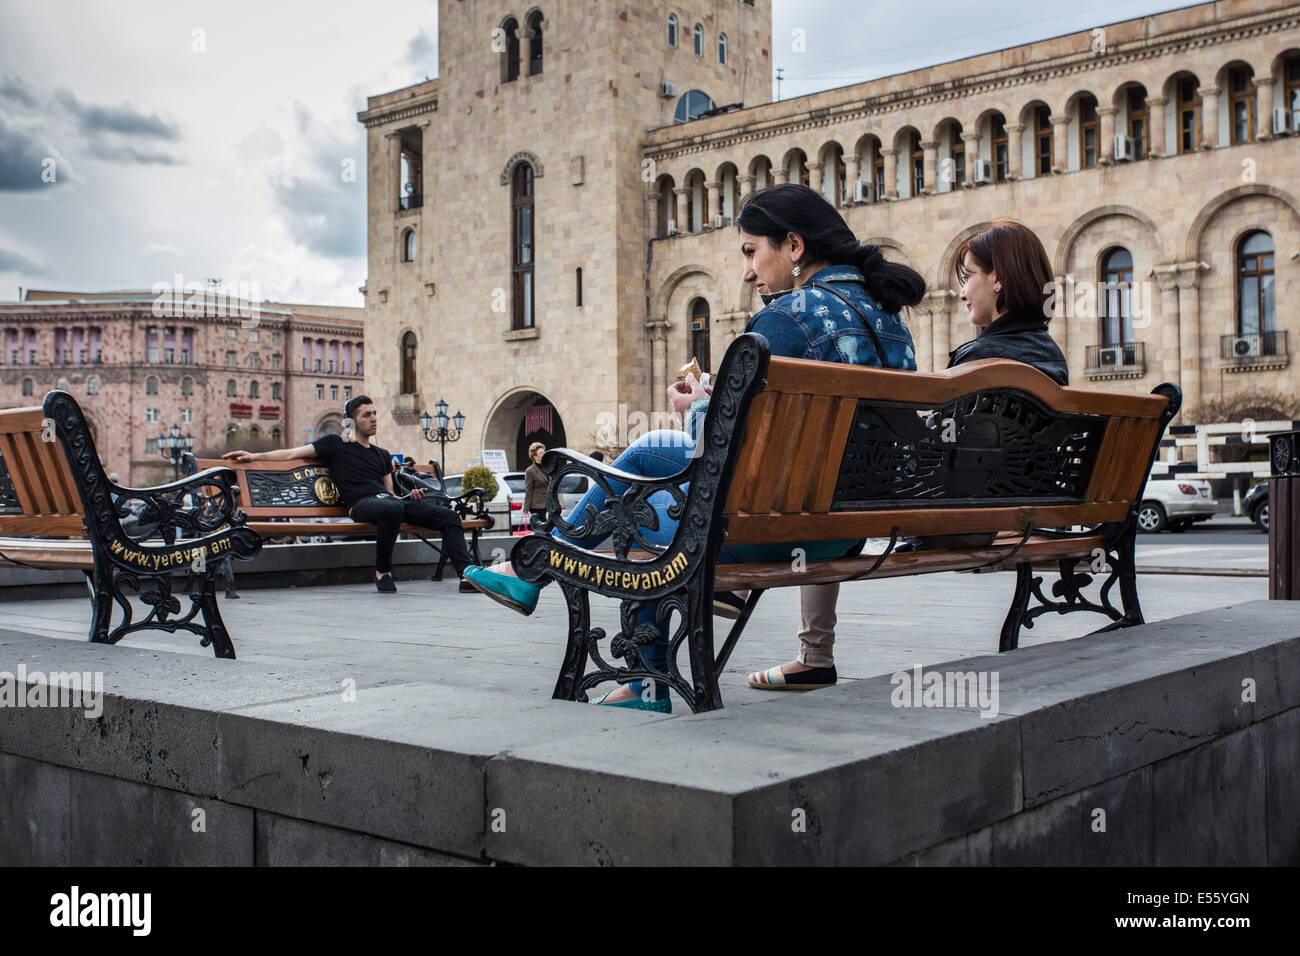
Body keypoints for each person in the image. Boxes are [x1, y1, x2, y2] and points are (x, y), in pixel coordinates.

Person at [464, 183, 926, 709]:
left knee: (639, 481)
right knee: (646, 473)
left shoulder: (786, 319)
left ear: (794, 246)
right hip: (846, 533)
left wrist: (695, 410)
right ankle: (614, 655)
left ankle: (577, 614)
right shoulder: (891, 321)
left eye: (752, 251)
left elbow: (722, 450)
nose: (748, 270)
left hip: (767, 528)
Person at [223, 395, 478, 594]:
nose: (374, 418)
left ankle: (466, 576)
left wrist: (409, 497)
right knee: (392, 509)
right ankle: (382, 572)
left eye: (375, 413)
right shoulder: (336, 444)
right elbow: (292, 454)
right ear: (353, 421)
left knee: (448, 517)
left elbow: (390, 493)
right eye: (367, 415)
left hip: (388, 503)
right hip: (360, 505)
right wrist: (254, 456)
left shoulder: (382, 454)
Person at [948, 221, 1068, 385]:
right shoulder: (1054, 357)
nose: (962, 294)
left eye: (967, 277)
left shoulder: (978, 359)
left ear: (998, 279)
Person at [523, 441, 550, 530]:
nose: (544, 454)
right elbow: (528, 489)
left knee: (548, 526)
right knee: (542, 527)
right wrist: (526, 507)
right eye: (541, 453)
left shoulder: (547, 467)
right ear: (535, 456)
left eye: (544, 452)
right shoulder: (530, 471)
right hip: (536, 505)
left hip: (547, 503)